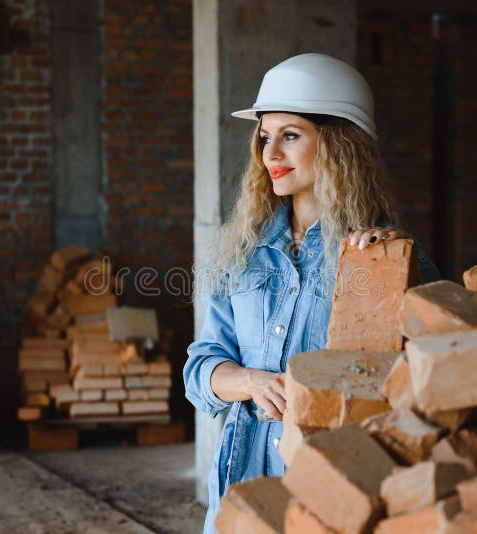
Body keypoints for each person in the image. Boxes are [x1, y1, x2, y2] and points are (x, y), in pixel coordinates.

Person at [183, 53, 440, 533]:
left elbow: (429, 376)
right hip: (241, 484)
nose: (270, 154)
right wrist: (252, 382)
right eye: (264, 137)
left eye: (290, 135)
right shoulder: (244, 250)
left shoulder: (380, 256)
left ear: (339, 144)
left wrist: (397, 271)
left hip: (330, 487)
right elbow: (200, 369)